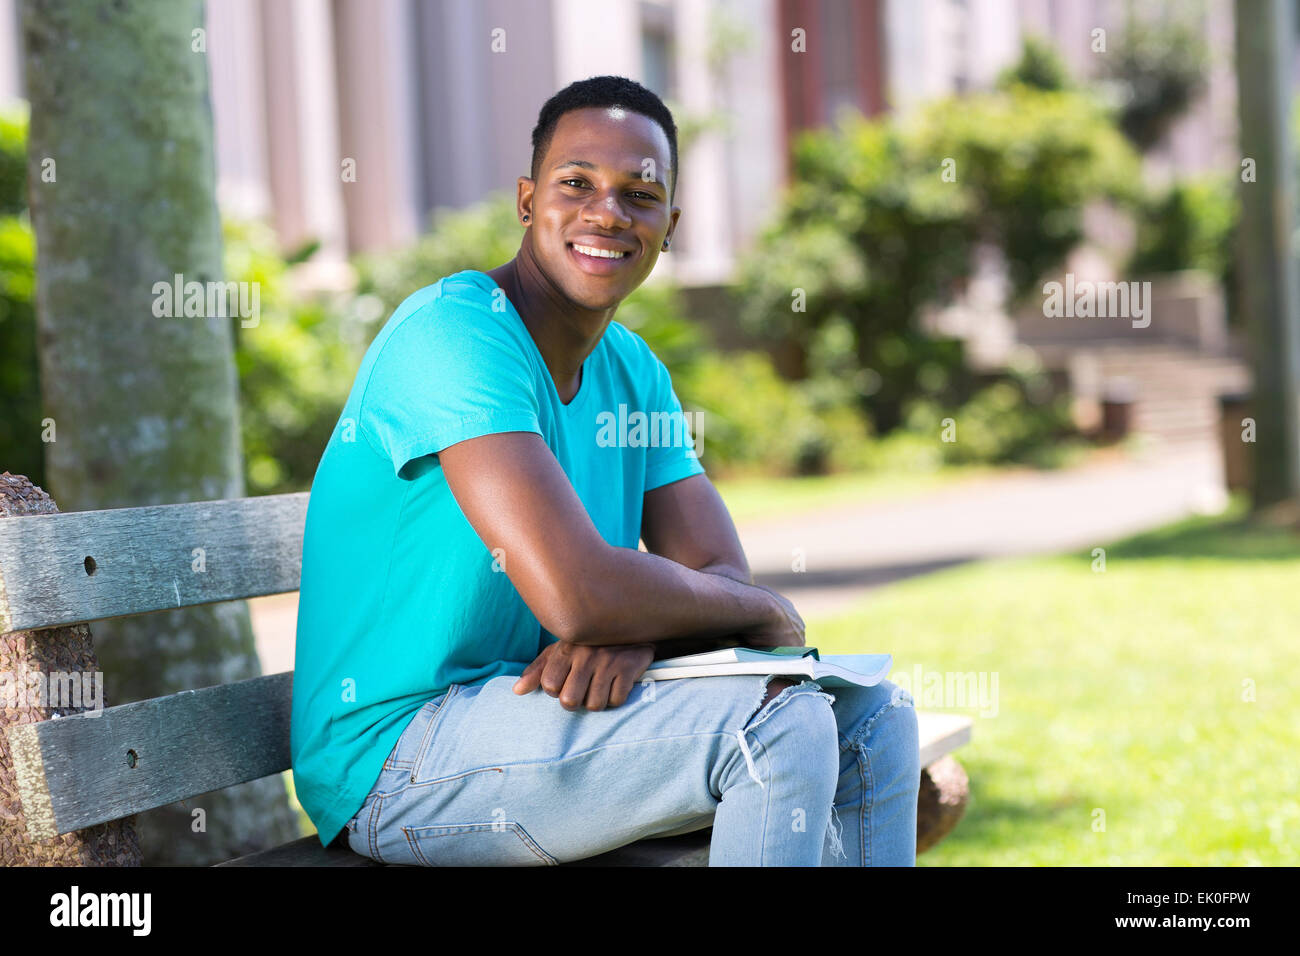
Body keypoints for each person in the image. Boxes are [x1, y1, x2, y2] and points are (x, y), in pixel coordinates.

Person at [289, 75, 920, 866]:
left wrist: (643, 632)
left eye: (639, 194)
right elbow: (581, 595)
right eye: (576, 183)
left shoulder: (632, 369)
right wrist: (740, 614)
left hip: (538, 717)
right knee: (776, 727)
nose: (607, 212)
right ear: (527, 201)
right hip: (395, 757)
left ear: (671, 225)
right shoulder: (454, 337)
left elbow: (715, 567)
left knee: (876, 718)